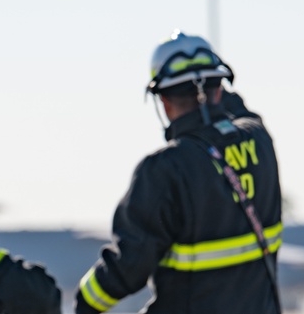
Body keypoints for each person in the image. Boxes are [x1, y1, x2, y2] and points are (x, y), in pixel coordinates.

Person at [75, 31, 283, 314]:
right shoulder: (259, 139)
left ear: (163, 101)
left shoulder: (164, 169)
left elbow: (129, 266)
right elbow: (237, 109)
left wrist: (84, 303)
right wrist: (208, 86)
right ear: (219, 89)